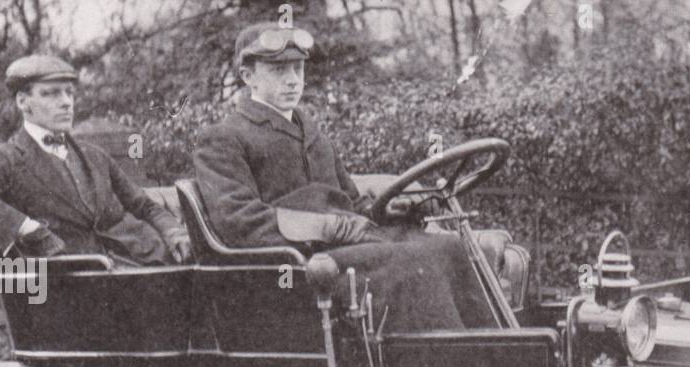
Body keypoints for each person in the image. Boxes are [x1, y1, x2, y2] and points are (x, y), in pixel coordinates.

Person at [192, 23, 497, 331]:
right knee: (410, 259)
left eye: (298, 69)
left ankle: (489, 356)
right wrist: (335, 228)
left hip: (344, 251)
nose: (292, 81)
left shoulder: (313, 133)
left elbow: (349, 201)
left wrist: (386, 209)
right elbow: (240, 221)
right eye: (278, 70)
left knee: (447, 246)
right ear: (248, 76)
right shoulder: (223, 137)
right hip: (300, 265)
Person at [0, 54, 191, 265]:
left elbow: (143, 205)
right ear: (23, 102)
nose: (66, 102)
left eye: (69, 93)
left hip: (141, 263)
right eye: (51, 94)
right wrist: (30, 229)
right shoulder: (7, 158)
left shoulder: (95, 156)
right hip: (76, 281)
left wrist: (173, 230)